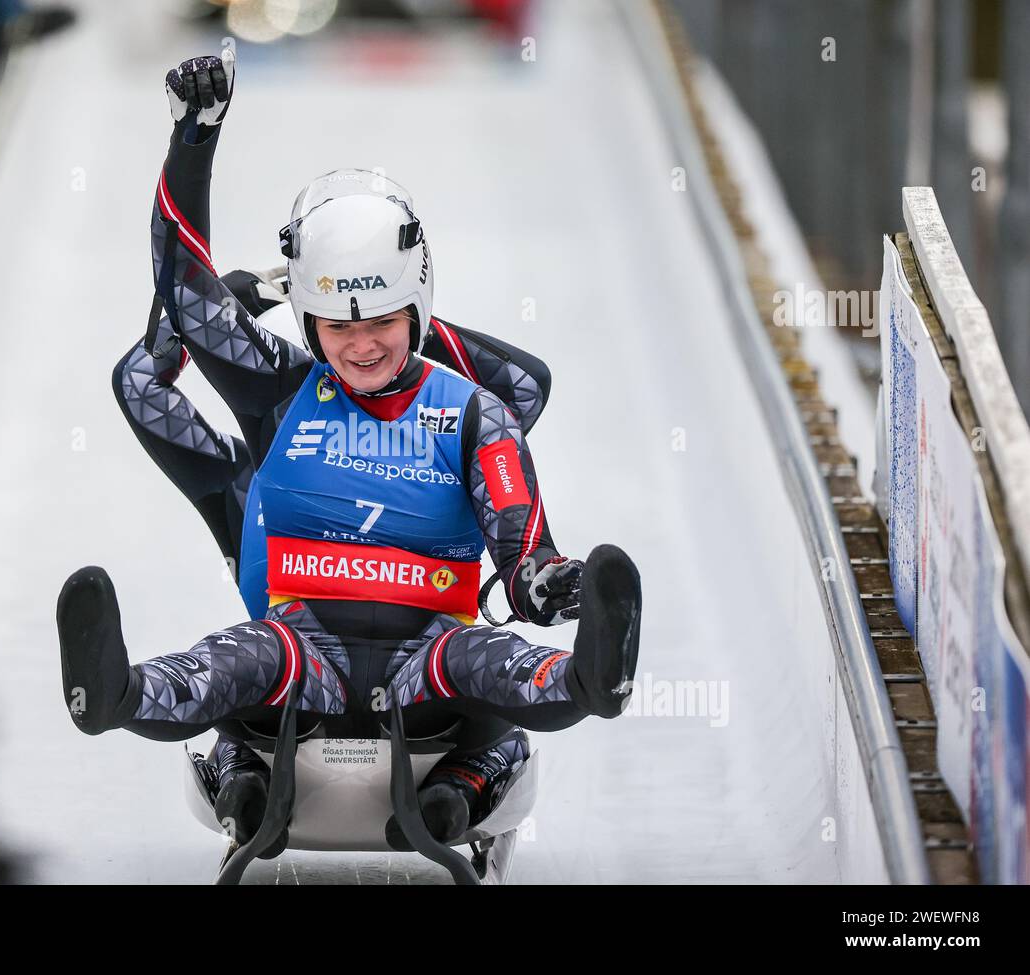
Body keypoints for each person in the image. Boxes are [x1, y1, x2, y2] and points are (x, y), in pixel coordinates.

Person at [58, 50, 641, 855]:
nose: (362, 346)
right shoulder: (280, 390)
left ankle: (590, 681)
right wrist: (194, 139)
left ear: (418, 307)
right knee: (228, 660)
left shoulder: (476, 415)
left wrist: (558, 587)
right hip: (305, 651)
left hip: (426, 657)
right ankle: (118, 693)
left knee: (491, 659)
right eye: (339, 326)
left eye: (383, 322)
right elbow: (184, 297)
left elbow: (525, 557)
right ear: (309, 325)